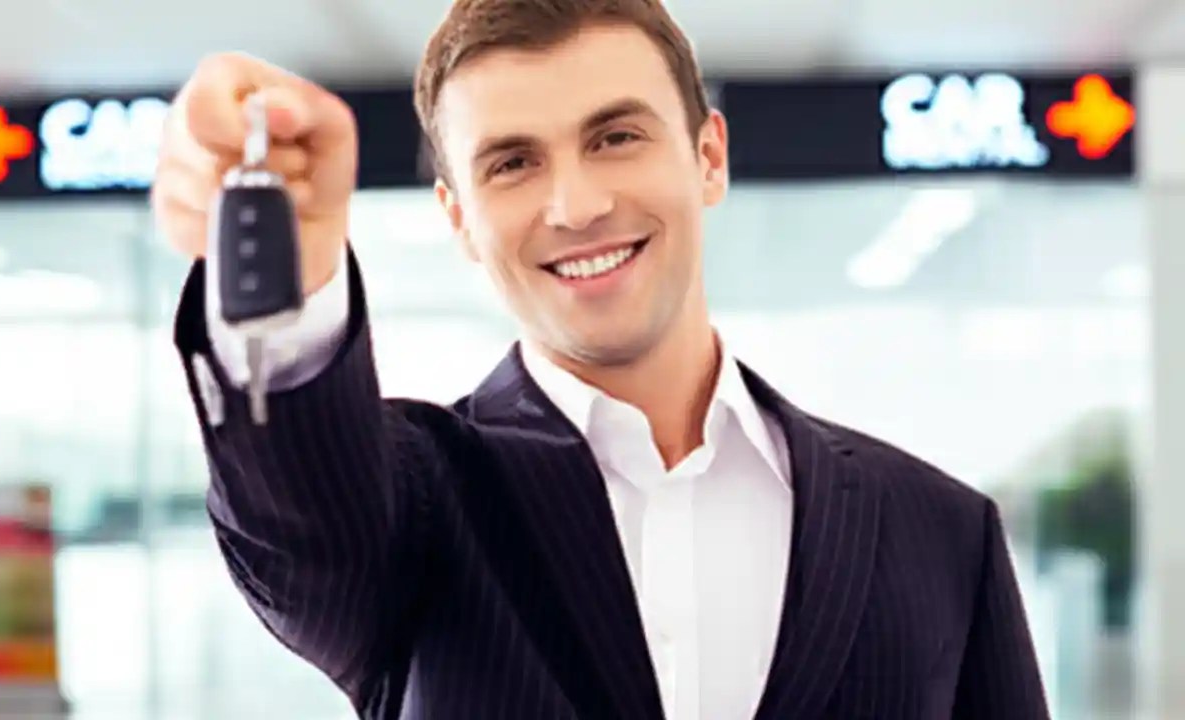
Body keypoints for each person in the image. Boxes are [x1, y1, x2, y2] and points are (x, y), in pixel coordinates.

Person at [153, 1, 1051, 718]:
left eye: (615, 137)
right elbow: (298, 511)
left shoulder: (941, 533)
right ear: (458, 216)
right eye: (511, 163)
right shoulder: (413, 509)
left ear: (708, 156)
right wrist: (287, 276)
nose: (576, 205)